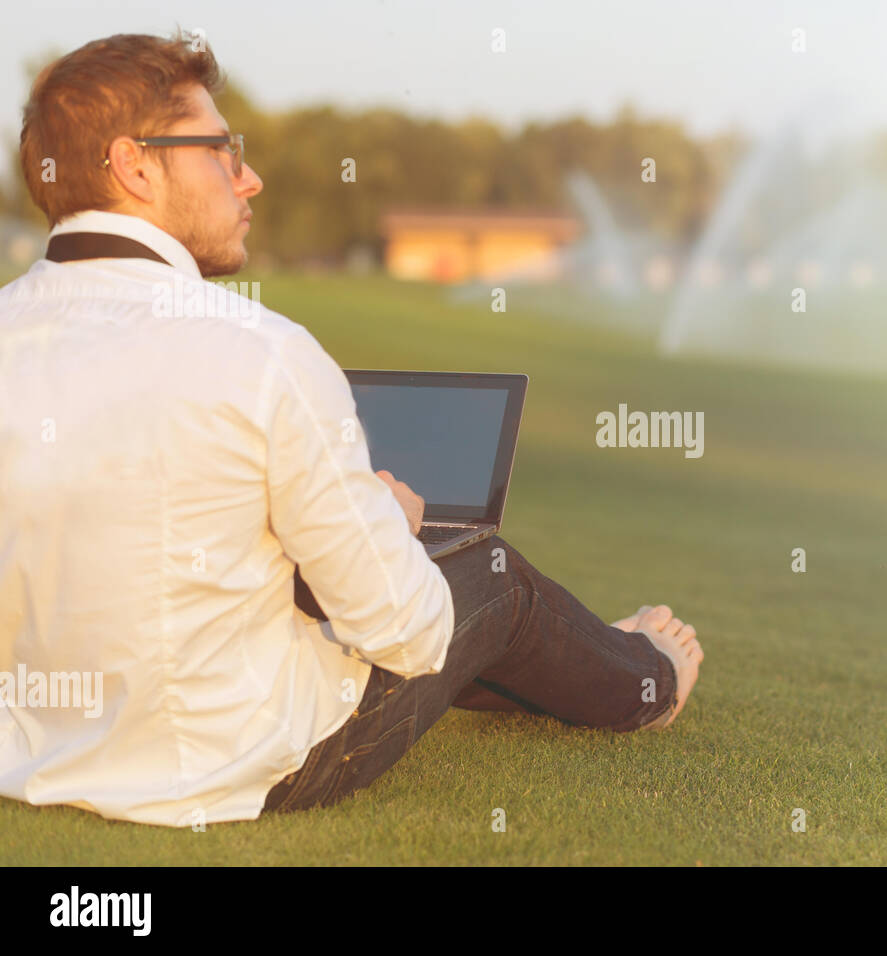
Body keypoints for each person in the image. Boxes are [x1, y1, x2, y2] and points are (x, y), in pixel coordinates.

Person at [0, 32, 702, 828]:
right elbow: (406, 633)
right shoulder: (260, 350)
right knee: (489, 576)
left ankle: (578, 649)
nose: (249, 177)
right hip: (230, 765)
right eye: (222, 151)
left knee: (302, 573)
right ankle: (650, 678)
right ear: (135, 165)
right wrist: (391, 531)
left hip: (34, 751)